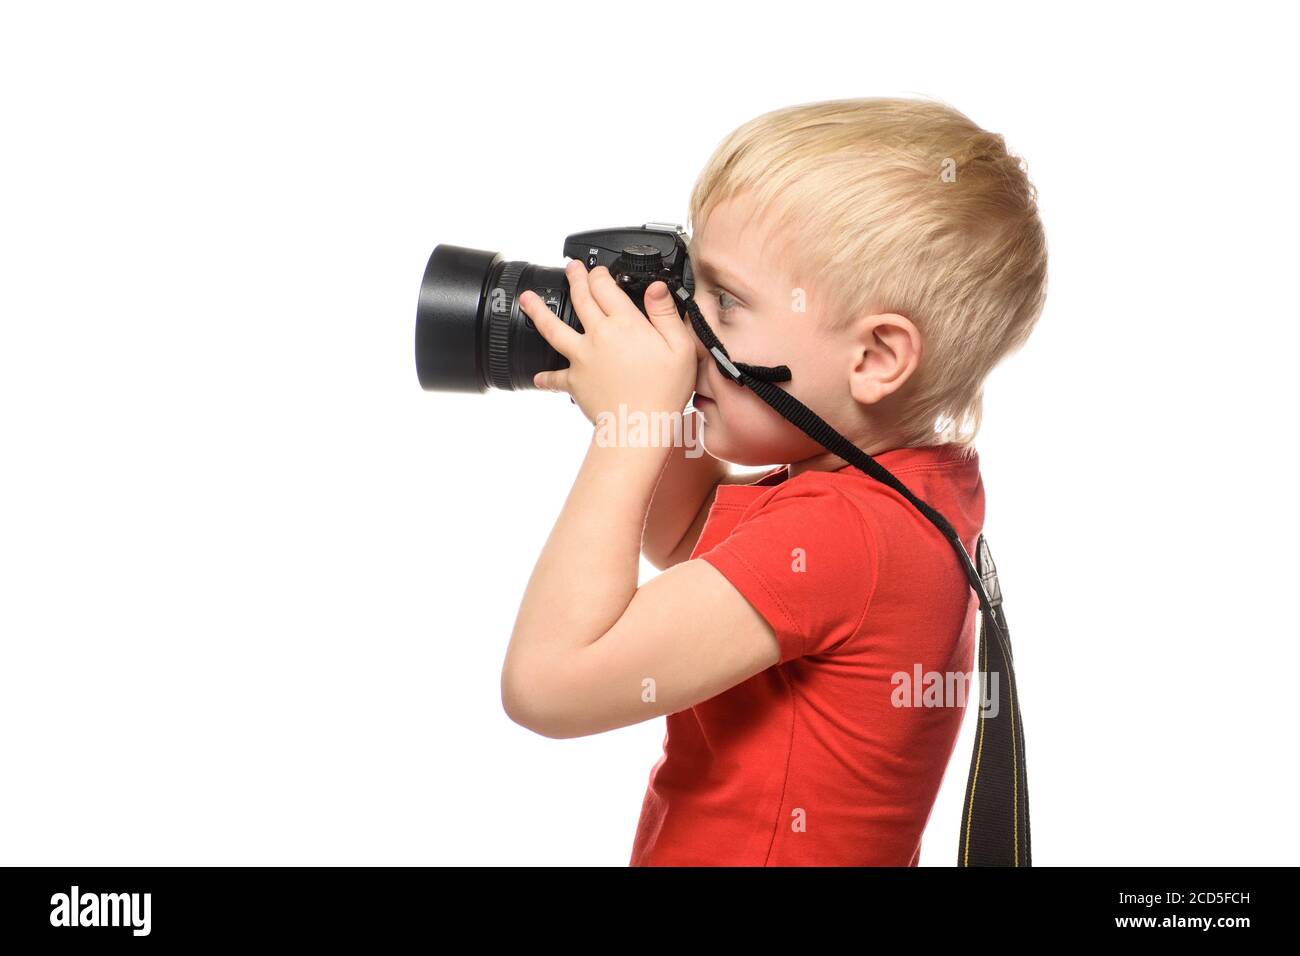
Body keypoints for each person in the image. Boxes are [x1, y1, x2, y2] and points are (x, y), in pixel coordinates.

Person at [500, 96, 1048, 865]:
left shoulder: (841, 533)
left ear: (876, 359)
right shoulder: (901, 491)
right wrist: (651, 389)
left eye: (724, 302)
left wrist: (631, 430)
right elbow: (690, 533)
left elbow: (549, 685)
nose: (692, 324)